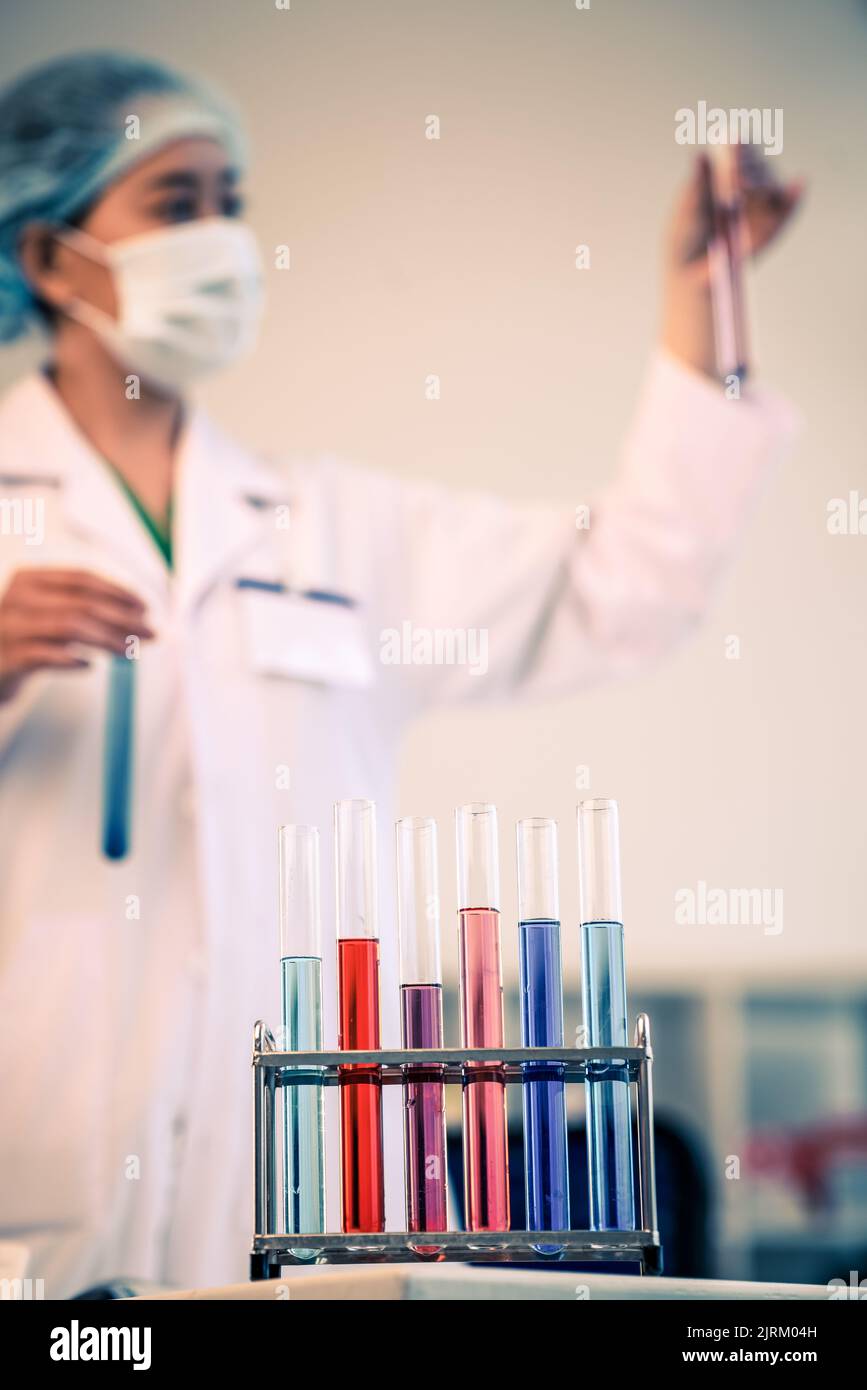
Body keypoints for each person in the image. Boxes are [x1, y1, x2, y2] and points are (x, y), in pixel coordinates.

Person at [0, 52, 799, 1297]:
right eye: (175, 204)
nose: (218, 236)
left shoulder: (331, 528)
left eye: (231, 201)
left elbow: (623, 585)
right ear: (50, 258)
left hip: (302, 1173)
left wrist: (709, 313)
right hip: (37, 1173)